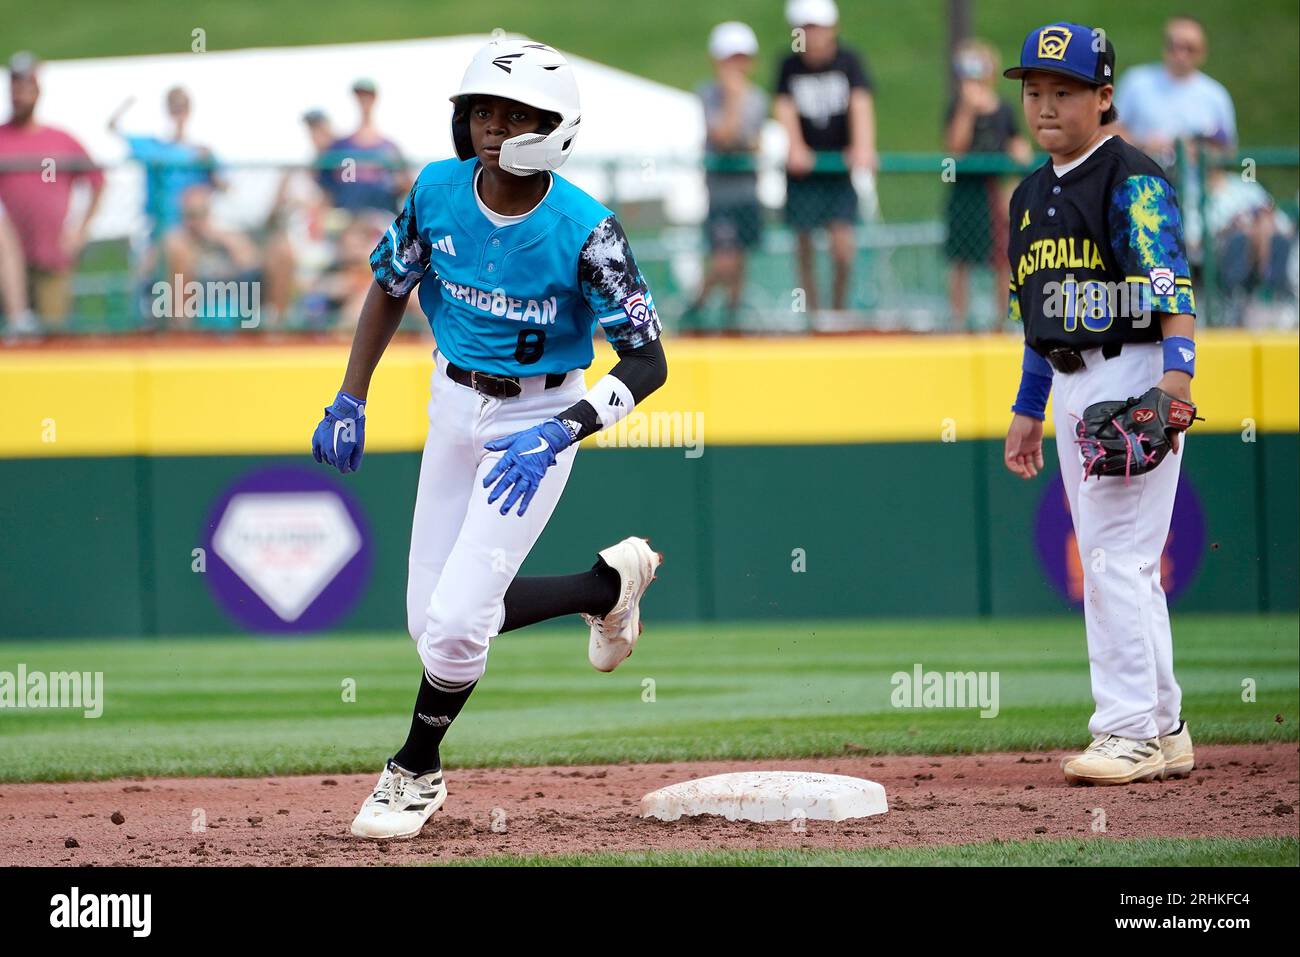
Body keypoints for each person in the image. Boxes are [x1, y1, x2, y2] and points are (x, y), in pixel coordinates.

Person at [310, 39, 669, 841]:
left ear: (554, 126)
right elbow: (388, 285)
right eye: (480, 109)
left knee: (454, 625)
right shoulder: (436, 190)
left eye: (512, 114)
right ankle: (605, 588)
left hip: (537, 420)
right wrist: (349, 393)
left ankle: (413, 769)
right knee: (430, 622)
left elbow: (648, 361)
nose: (489, 126)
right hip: (451, 401)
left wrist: (560, 433)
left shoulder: (586, 229)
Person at [1002, 23, 1197, 786]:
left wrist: (1175, 382)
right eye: (1035, 91)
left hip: (1135, 368)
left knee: (1114, 557)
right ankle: (1165, 727)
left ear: (1104, 96)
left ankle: (1126, 732)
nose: (1046, 105)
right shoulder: (1027, 195)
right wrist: (1027, 408)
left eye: (1065, 90)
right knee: (1128, 565)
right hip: (1071, 380)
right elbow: (1037, 316)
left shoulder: (1130, 178)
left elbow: (1172, 289)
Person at [774, 0, 874, 317]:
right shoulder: (789, 66)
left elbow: (860, 103)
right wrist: (796, 146)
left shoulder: (848, 62)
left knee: (843, 245)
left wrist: (862, 145)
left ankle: (838, 310)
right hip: (805, 174)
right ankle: (812, 313)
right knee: (803, 243)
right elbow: (784, 106)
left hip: (837, 171)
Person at [1111, 15, 1237, 258]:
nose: (1181, 54)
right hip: (1143, 186)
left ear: (1202, 53)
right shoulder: (1138, 83)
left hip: (1198, 191)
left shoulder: (1215, 95)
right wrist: (1144, 144)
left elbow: (1228, 151)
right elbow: (1110, 129)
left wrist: (1197, 152)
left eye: (1189, 48)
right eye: (1174, 45)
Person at [0, 52, 105, 330]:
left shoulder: (60, 140)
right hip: (7, 266)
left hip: (52, 258)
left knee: (54, 341)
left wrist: (81, 230)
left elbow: (98, 181)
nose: (20, 95)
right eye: (15, 87)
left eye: (26, 88)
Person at [682, 21, 768, 334]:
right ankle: (697, 309)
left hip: (747, 190)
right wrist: (734, 100)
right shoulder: (710, 94)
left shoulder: (757, 98)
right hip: (721, 193)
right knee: (723, 260)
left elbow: (753, 142)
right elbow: (724, 136)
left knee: (739, 259)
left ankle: (733, 320)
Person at [942, 38, 1032, 331]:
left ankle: (999, 321)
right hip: (965, 192)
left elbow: (1019, 148)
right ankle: (958, 319)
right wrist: (967, 110)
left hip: (994, 193)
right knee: (960, 260)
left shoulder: (1003, 110)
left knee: (1002, 258)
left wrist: (1016, 164)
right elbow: (954, 148)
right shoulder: (958, 109)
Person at [318, 79, 409, 214]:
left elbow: (406, 184)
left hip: (380, 220)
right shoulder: (339, 146)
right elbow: (326, 190)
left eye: (368, 96)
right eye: (360, 96)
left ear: (375, 99)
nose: (364, 101)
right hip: (347, 221)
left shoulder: (390, 147)